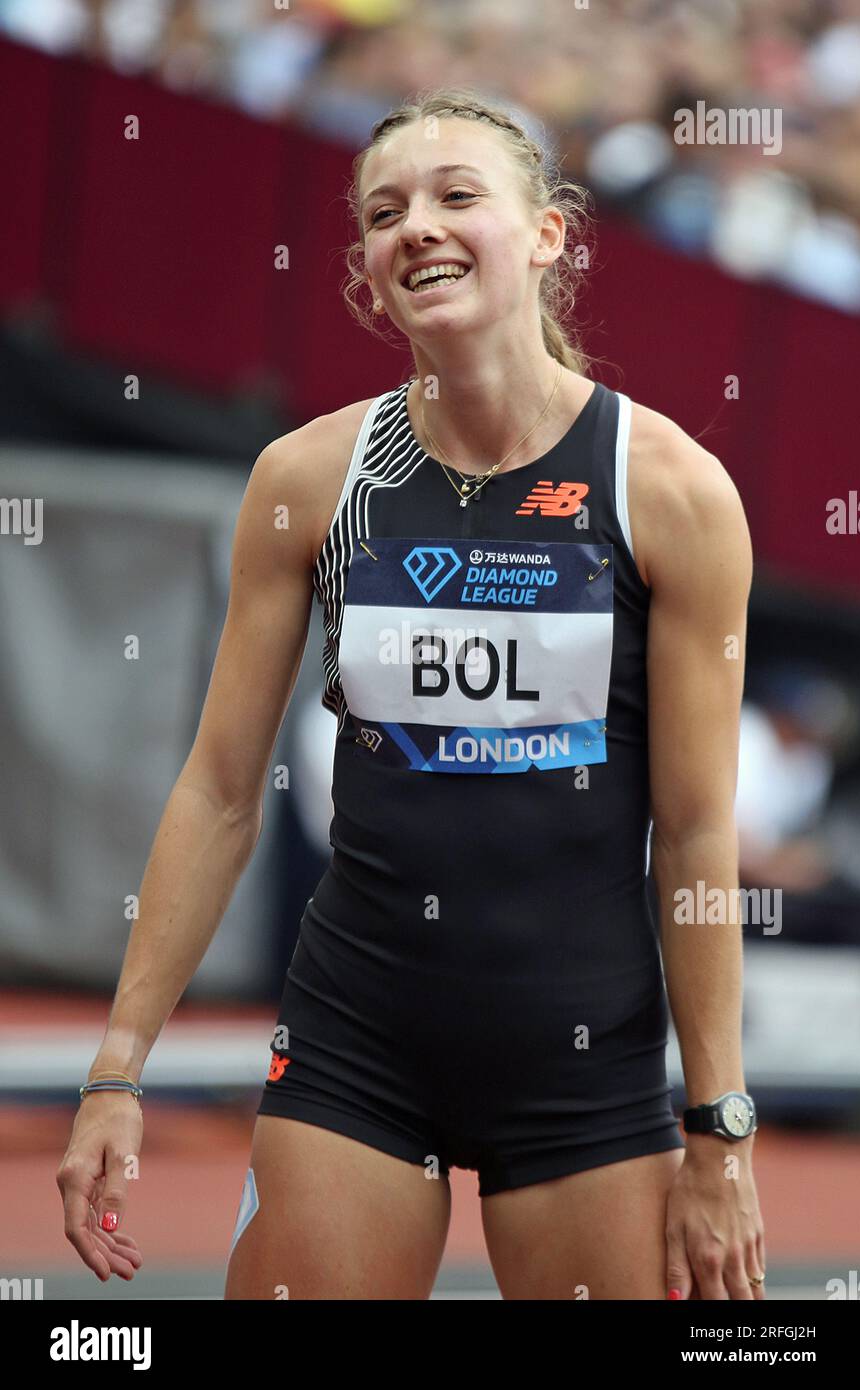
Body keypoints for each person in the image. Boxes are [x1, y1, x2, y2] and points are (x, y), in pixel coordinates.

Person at [57, 87, 765, 1301]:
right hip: (358, 1043)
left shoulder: (670, 491)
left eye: (454, 196)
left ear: (545, 234)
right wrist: (116, 1067)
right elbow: (223, 787)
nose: (415, 228)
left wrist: (720, 1124)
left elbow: (695, 833)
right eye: (383, 214)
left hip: (582, 1059)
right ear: (364, 270)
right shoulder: (310, 476)